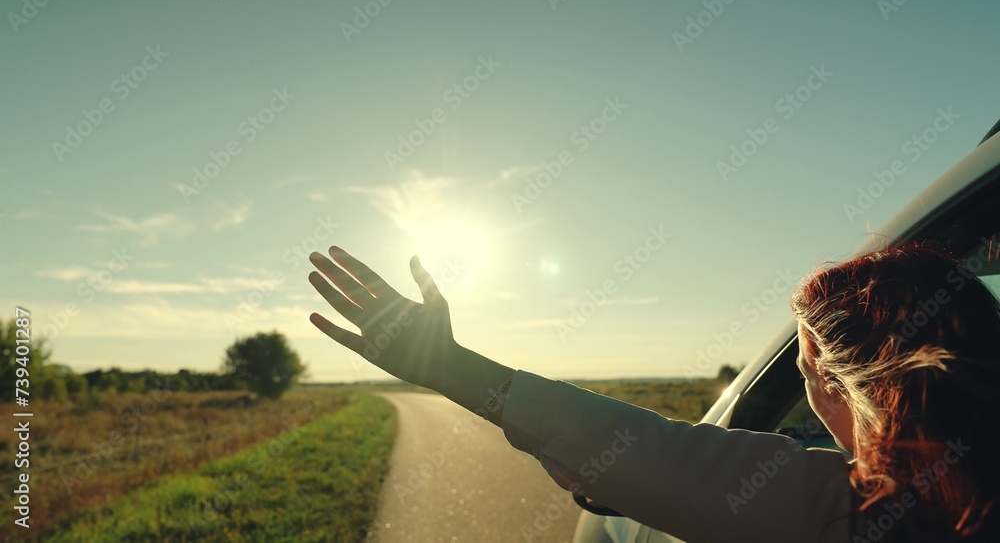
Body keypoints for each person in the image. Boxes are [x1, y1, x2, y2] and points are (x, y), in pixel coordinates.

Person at [307, 243, 1000, 542]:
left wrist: (447, 365)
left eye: (804, 367)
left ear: (837, 381)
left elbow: (647, 452)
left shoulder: (850, 511)